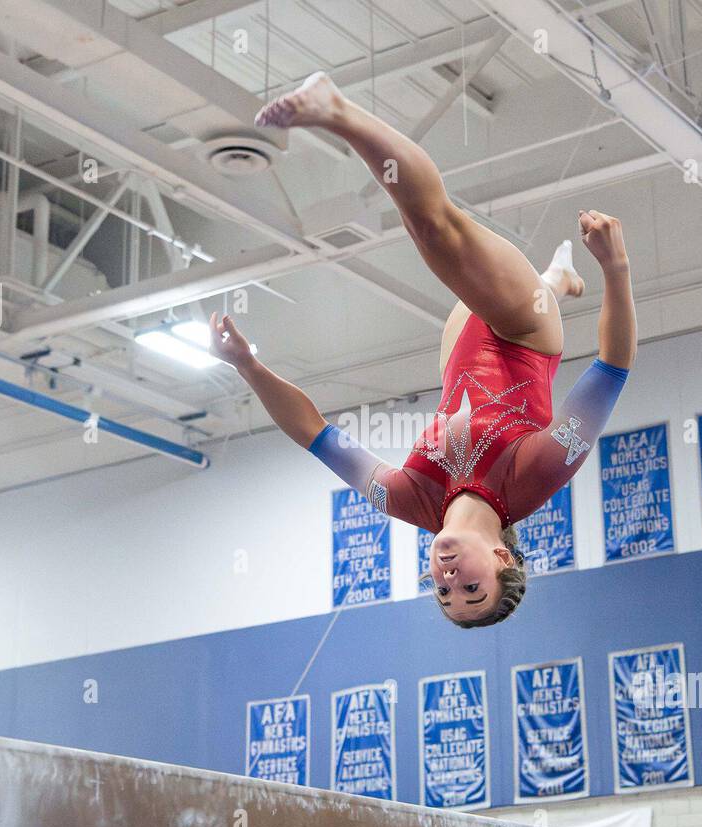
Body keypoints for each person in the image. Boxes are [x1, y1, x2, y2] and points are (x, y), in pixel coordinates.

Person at [209, 72, 638, 627]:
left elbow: (315, 435)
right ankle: (335, 108)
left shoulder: (408, 500)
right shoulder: (534, 478)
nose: (449, 579)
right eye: (472, 589)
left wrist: (248, 366)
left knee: (455, 257)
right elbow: (611, 371)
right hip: (523, 333)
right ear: (503, 557)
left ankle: (556, 278)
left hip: (460, 345)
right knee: (435, 231)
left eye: (443, 595)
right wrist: (616, 268)